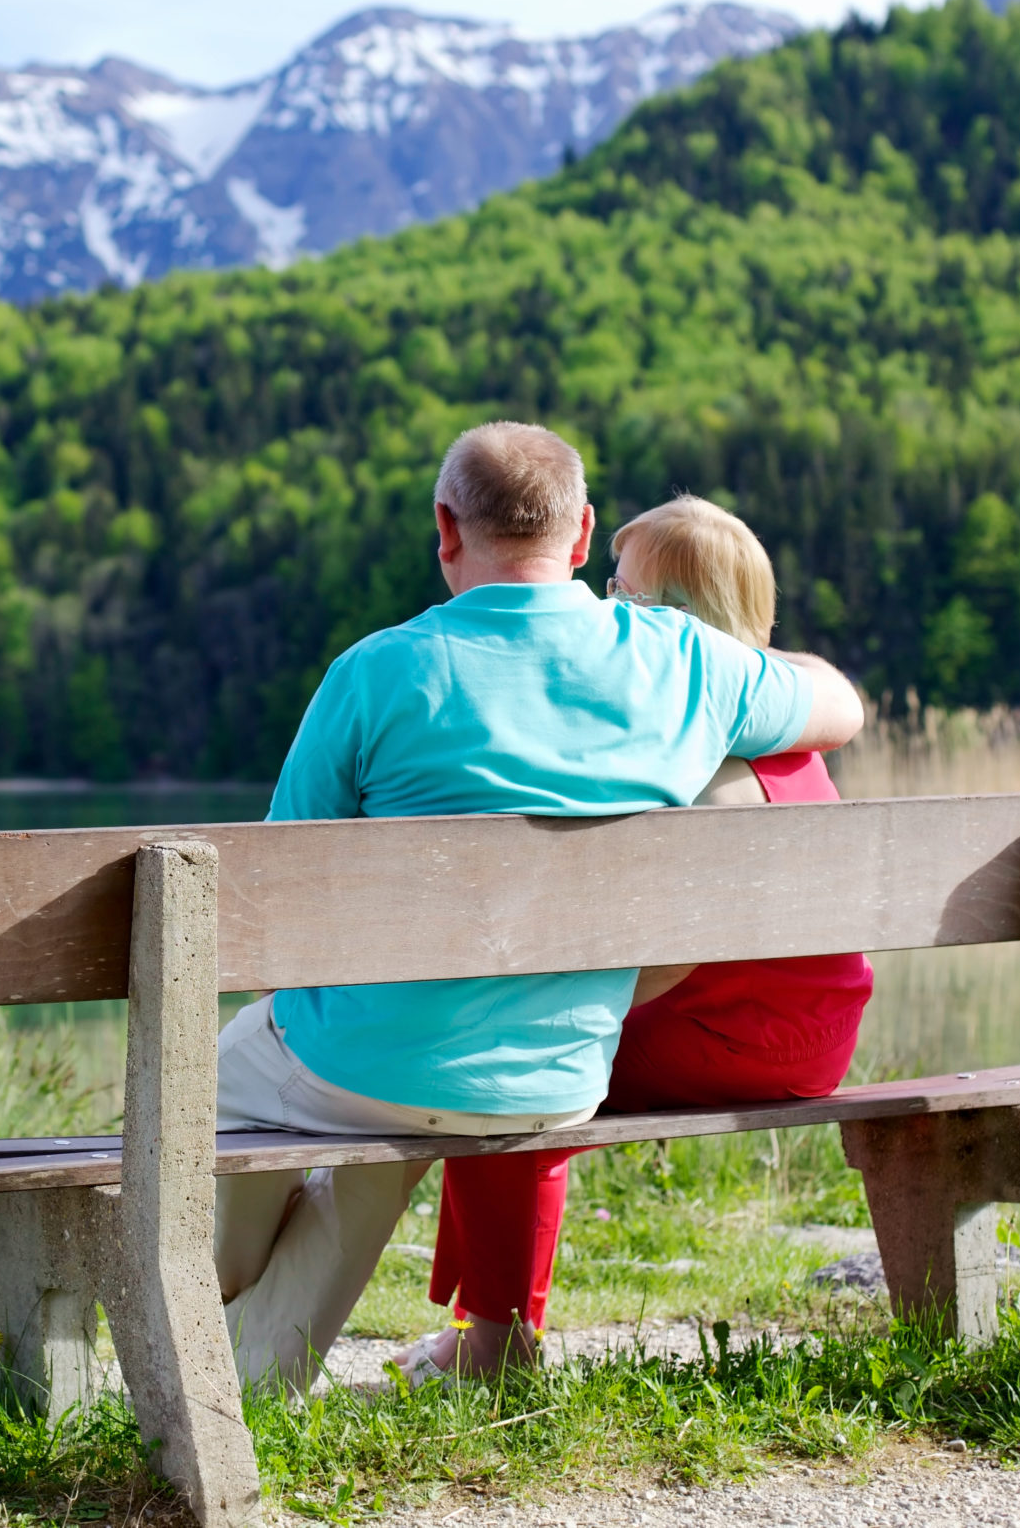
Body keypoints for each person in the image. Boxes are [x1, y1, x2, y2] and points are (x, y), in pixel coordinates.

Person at [215, 428, 866, 1393]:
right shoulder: (685, 662)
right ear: (582, 533)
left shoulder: (374, 671)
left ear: (446, 530)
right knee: (390, 1112)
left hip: (380, 1057)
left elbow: (266, 903)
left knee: (238, 1076)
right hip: (558, 1076)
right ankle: (247, 1375)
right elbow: (837, 706)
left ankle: (202, 1303)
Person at [402, 493, 874, 1382]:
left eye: (616, 595)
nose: (603, 612)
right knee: (520, 1048)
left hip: (736, 1035)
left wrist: (561, 1009)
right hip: (818, 1032)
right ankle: (482, 1327)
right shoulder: (777, 722)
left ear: (665, 623)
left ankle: (495, 1342)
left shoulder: (705, 758)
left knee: (515, 1064)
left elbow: (667, 964)